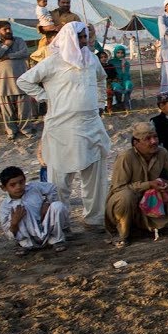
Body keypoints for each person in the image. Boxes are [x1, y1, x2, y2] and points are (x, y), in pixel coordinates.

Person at [17, 21, 113, 226]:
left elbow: (101, 79)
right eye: (79, 37)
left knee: (95, 175)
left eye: (85, 37)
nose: (84, 41)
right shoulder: (53, 62)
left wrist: (100, 103)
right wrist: (45, 96)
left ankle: (94, 219)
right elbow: (24, 81)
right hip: (62, 126)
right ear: (69, 38)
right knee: (60, 178)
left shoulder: (92, 59)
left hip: (91, 124)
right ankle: (60, 222)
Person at [103, 122, 168, 247]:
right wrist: (148, 185)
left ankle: (165, 223)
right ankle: (121, 232)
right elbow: (119, 188)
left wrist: (163, 183)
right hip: (131, 201)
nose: (153, 141)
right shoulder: (126, 157)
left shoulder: (162, 153)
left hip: (155, 200)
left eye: (155, 137)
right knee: (125, 197)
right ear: (136, 142)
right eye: (148, 139)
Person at [0, 165, 69, 256]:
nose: (18, 187)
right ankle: (24, 245)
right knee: (18, 212)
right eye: (13, 185)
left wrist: (47, 202)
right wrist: (14, 223)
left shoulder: (34, 188)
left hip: (45, 226)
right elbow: (9, 235)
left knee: (58, 206)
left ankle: (56, 240)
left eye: (21, 182)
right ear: (3, 188)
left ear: (25, 180)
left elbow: (52, 188)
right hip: (28, 237)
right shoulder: (5, 207)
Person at [0, 20, 37, 139]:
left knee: (24, 106)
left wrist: (9, 56)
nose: (8, 31)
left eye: (9, 28)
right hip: (3, 80)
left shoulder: (19, 40)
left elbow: (25, 53)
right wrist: (7, 45)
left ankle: (26, 129)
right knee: (6, 107)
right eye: (5, 29)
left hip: (20, 78)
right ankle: (11, 131)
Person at [108, 44, 134, 110]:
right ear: (115, 53)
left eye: (122, 53)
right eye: (118, 52)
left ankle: (126, 103)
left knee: (129, 84)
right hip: (115, 80)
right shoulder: (111, 62)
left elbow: (126, 75)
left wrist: (123, 65)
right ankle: (118, 102)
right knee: (116, 86)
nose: (120, 54)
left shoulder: (126, 63)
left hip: (124, 79)